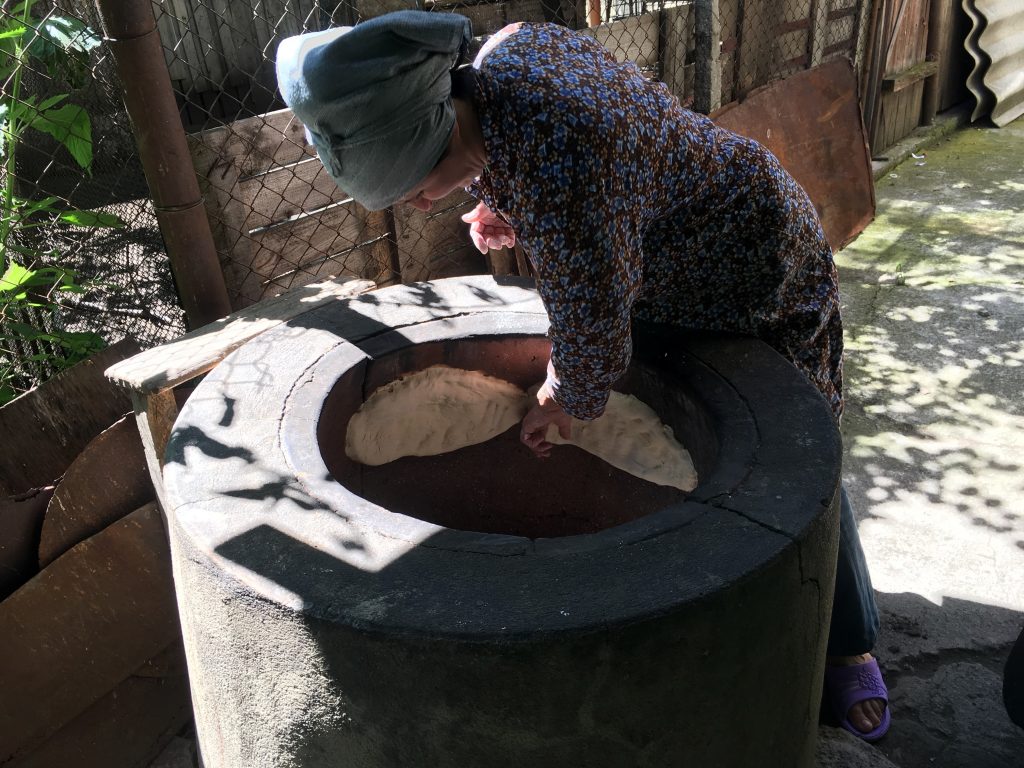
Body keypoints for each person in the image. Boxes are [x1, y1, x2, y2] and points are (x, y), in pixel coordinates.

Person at [276, 10, 890, 741]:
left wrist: (561, 400)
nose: (416, 203)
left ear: (440, 124)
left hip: (752, 260)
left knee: (794, 455)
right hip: (666, 254)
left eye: (416, 183)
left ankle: (847, 637)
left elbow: (593, 326)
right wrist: (501, 204)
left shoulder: (567, 153)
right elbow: (538, 168)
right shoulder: (502, 60)